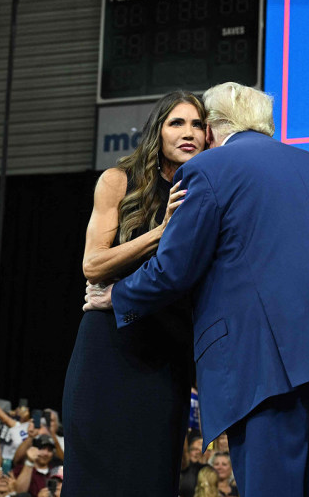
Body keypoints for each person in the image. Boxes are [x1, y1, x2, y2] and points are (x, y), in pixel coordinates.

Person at [85, 82, 309, 497]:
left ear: (212, 130)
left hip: (274, 358)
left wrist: (117, 296)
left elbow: (175, 269)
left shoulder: (209, 169)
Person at [62, 90, 206, 497]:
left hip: (167, 355)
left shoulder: (207, 191)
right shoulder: (118, 181)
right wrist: (163, 232)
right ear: (156, 132)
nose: (188, 132)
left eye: (197, 124)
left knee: (152, 476)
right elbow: (93, 266)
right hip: (109, 349)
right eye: (176, 123)